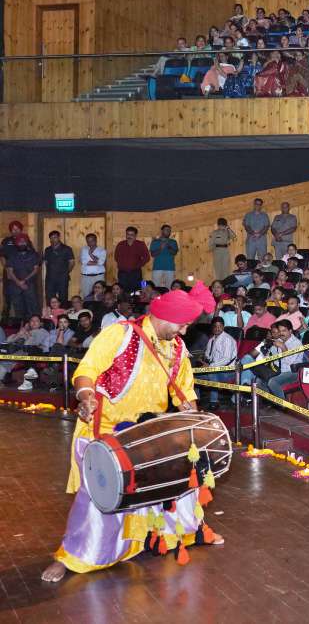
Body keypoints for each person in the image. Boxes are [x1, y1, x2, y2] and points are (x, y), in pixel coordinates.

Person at [41, 282, 221, 583]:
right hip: (106, 430)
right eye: (182, 325)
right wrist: (86, 398)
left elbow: (184, 392)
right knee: (97, 501)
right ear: (165, 316)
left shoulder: (177, 348)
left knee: (178, 479)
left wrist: (194, 419)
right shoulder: (120, 334)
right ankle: (72, 556)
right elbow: (87, 370)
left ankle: (178, 535)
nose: (185, 332)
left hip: (148, 432)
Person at [197, 318, 239, 407]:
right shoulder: (211, 340)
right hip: (214, 369)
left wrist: (210, 366)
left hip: (228, 371)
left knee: (212, 372)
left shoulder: (227, 339)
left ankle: (214, 402)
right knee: (195, 375)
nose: (217, 328)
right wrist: (202, 360)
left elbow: (226, 359)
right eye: (215, 326)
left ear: (223, 327)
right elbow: (208, 356)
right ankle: (197, 399)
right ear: (212, 327)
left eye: (220, 326)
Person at [5, 234, 41, 321]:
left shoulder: (33, 255)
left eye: (24, 241)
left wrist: (24, 280)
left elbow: (36, 270)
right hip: (15, 286)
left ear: (27, 243)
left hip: (29, 285)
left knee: (32, 308)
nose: (22, 243)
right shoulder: (12, 256)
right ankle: (20, 330)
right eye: (20, 242)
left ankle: (34, 329)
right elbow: (10, 271)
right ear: (16, 243)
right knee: (18, 310)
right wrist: (18, 282)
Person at [43, 230, 74, 306]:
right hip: (50, 278)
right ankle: (50, 316)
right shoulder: (47, 250)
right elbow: (45, 262)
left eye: (55, 237)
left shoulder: (67, 249)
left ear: (59, 237)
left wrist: (65, 273)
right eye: (51, 238)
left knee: (63, 297)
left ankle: (63, 316)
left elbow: (72, 263)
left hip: (62, 278)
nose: (53, 239)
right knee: (49, 298)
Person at [113, 227, 149, 292]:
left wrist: (138, 265)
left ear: (135, 235)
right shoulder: (120, 244)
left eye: (131, 235)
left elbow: (147, 257)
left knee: (137, 290)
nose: (129, 236)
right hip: (122, 273)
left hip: (135, 273)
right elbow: (116, 257)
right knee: (123, 291)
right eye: (128, 234)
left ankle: (135, 302)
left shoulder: (140, 244)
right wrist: (122, 264)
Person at [149, 225, 179, 289]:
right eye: (166, 230)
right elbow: (153, 254)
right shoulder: (155, 242)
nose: (168, 231)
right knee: (155, 287)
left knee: (170, 287)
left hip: (170, 268)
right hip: (157, 267)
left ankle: (169, 299)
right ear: (162, 231)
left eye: (169, 230)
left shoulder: (173, 242)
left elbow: (174, 253)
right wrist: (160, 248)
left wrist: (168, 246)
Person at [78, 233, 107, 297]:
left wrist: (91, 255)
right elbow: (84, 262)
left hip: (98, 276)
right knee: (86, 295)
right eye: (88, 241)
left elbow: (101, 262)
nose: (90, 243)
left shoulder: (102, 250)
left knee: (100, 295)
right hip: (86, 277)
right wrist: (97, 261)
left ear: (96, 240)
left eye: (92, 241)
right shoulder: (84, 249)